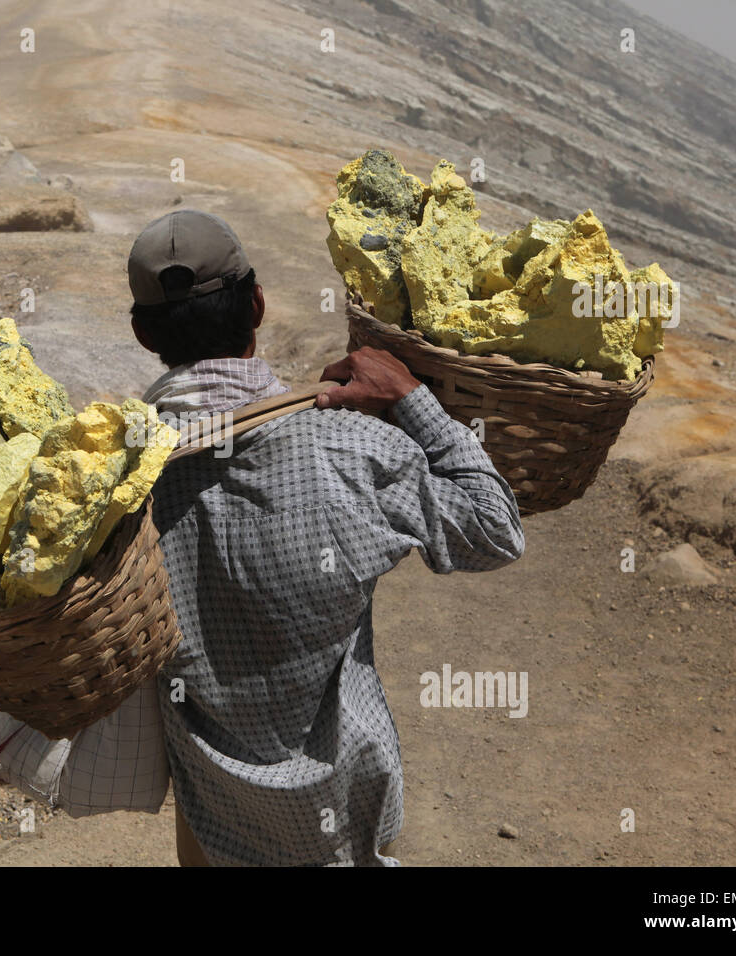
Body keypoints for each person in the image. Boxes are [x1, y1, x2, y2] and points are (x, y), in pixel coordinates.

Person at [128, 209, 525, 866]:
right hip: (347, 813)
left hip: (216, 821)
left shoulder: (115, 480)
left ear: (145, 334)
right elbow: (495, 529)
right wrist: (411, 399)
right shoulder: (355, 447)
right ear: (256, 303)